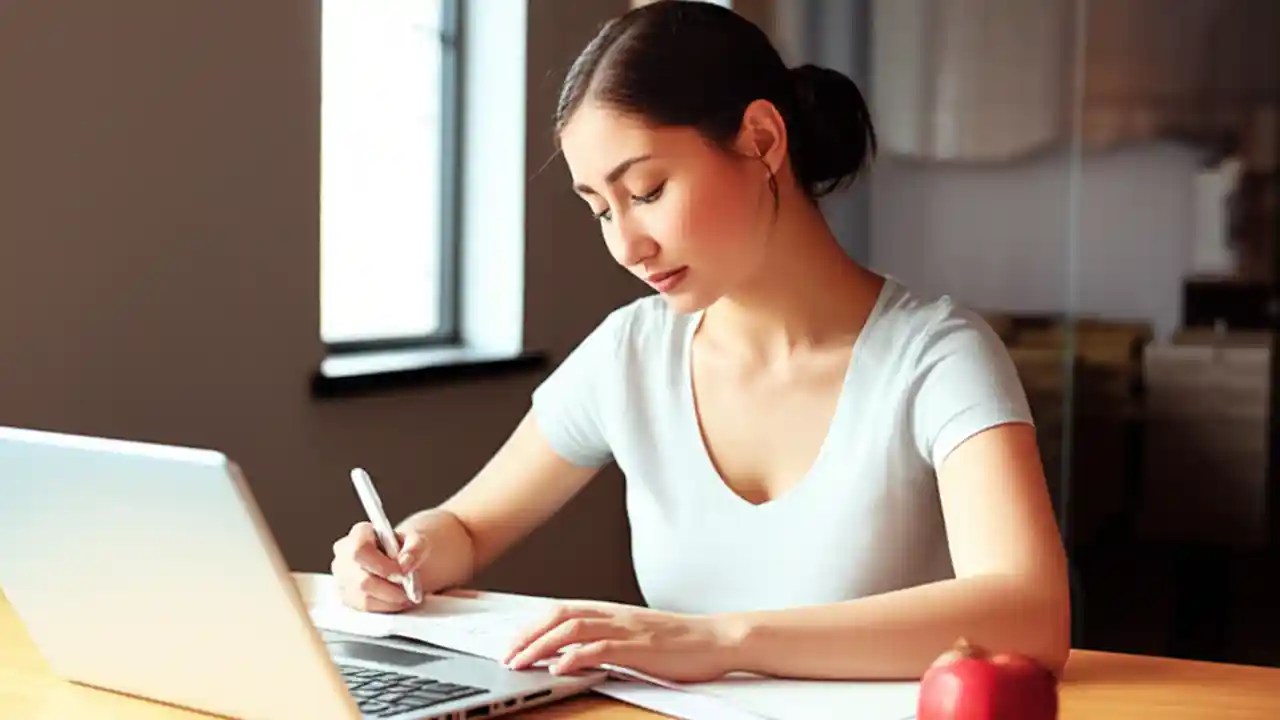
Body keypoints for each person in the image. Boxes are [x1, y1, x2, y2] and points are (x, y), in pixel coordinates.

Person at [330, 0, 1070, 683]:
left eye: (647, 192)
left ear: (761, 139)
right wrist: (408, 555)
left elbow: (1031, 613)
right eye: (601, 210)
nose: (626, 244)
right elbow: (466, 524)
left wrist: (723, 642)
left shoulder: (937, 358)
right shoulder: (632, 355)